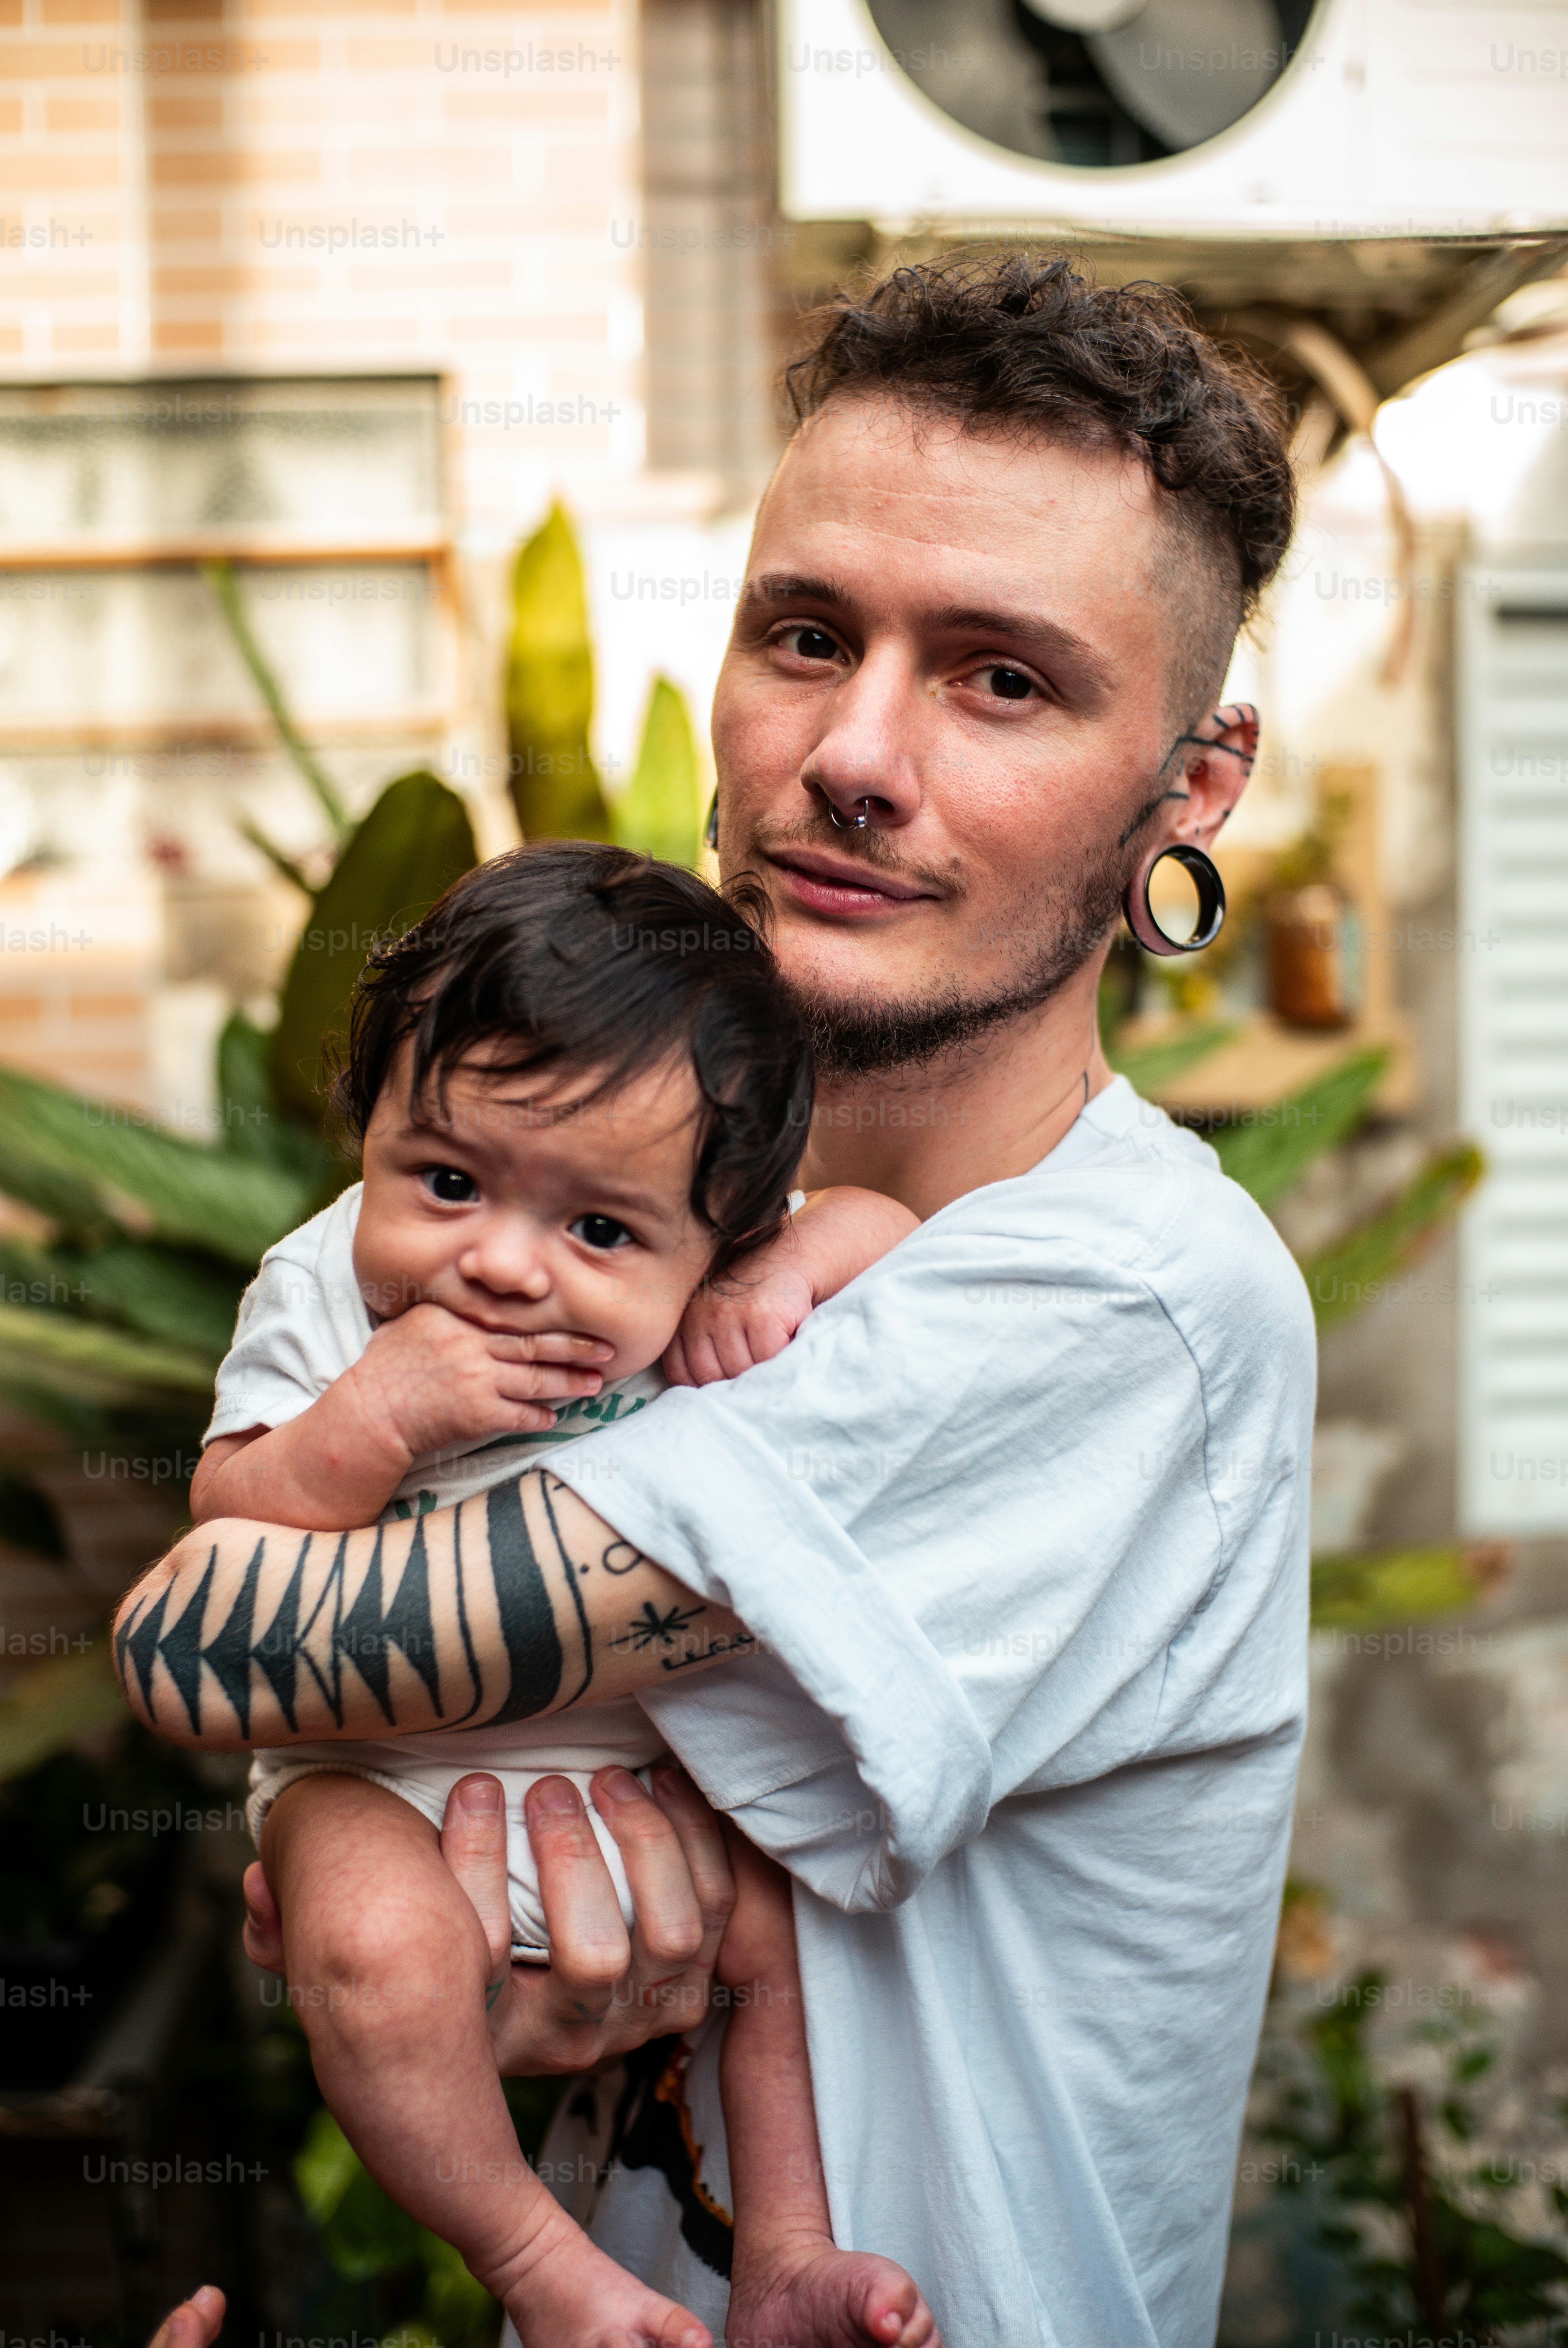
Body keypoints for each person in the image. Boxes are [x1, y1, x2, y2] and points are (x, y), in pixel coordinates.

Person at [115, 250, 1315, 2348]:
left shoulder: (1125, 1294)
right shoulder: (601, 1225)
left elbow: (205, 1658)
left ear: (1189, 787)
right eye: (804, 633)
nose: (851, 752)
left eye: (999, 678)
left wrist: (300, 1701)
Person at [185, 846, 935, 2348]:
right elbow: (225, 1532)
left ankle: (785, 2247)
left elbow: (890, 1227)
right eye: (447, 1183)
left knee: (771, 1936)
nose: (505, 1266)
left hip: (633, 1781)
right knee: (373, 1951)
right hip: (375, 1781)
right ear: (371, 1131)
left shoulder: (709, 1279)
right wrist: (367, 1425)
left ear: (711, 1230)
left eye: (599, 1232)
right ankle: (537, 2264)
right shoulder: (327, 1286)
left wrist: (779, 1278)